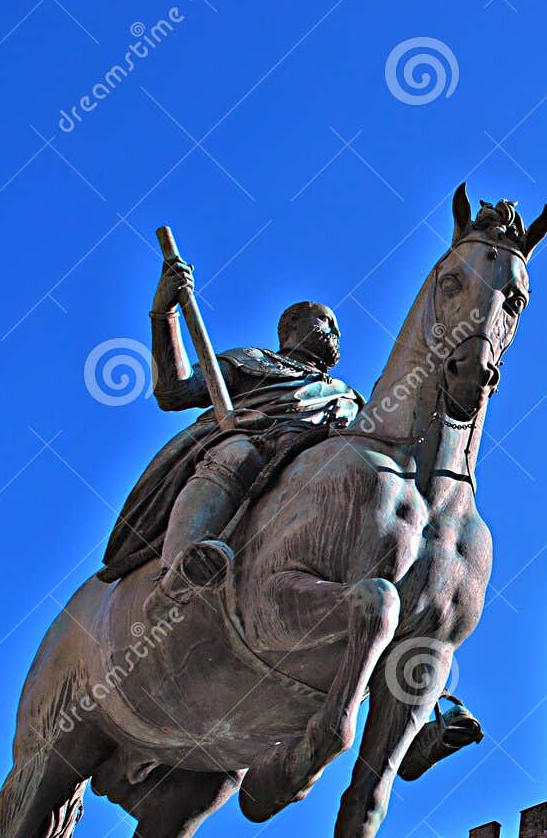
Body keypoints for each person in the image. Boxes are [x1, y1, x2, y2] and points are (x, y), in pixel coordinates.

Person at [98, 257, 362, 616]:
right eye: (326, 320)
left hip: (310, 463)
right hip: (254, 445)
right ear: (292, 325)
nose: (336, 331)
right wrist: (164, 314)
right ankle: (175, 578)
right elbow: (175, 392)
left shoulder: (350, 398)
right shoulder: (253, 359)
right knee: (236, 453)